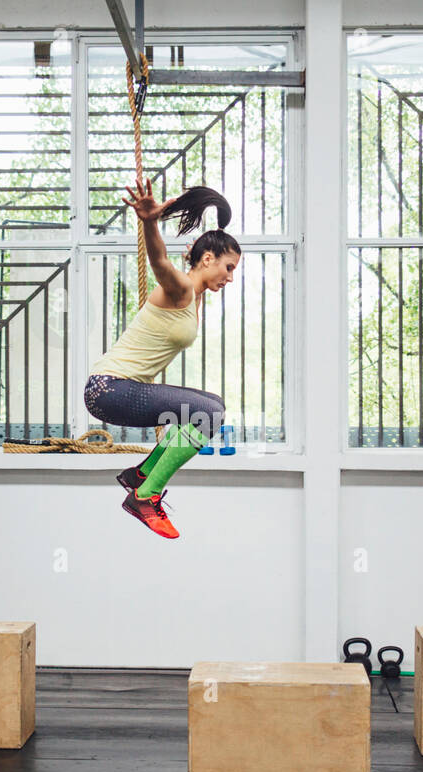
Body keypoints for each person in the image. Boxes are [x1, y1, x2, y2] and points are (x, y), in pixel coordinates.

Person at [84, 178, 241, 539]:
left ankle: (139, 475)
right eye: (228, 267)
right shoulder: (180, 287)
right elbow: (158, 262)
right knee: (210, 414)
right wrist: (150, 222)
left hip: (115, 389)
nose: (231, 277)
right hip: (109, 389)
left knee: (213, 405)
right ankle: (145, 496)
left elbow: (186, 271)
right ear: (207, 259)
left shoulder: (192, 294)